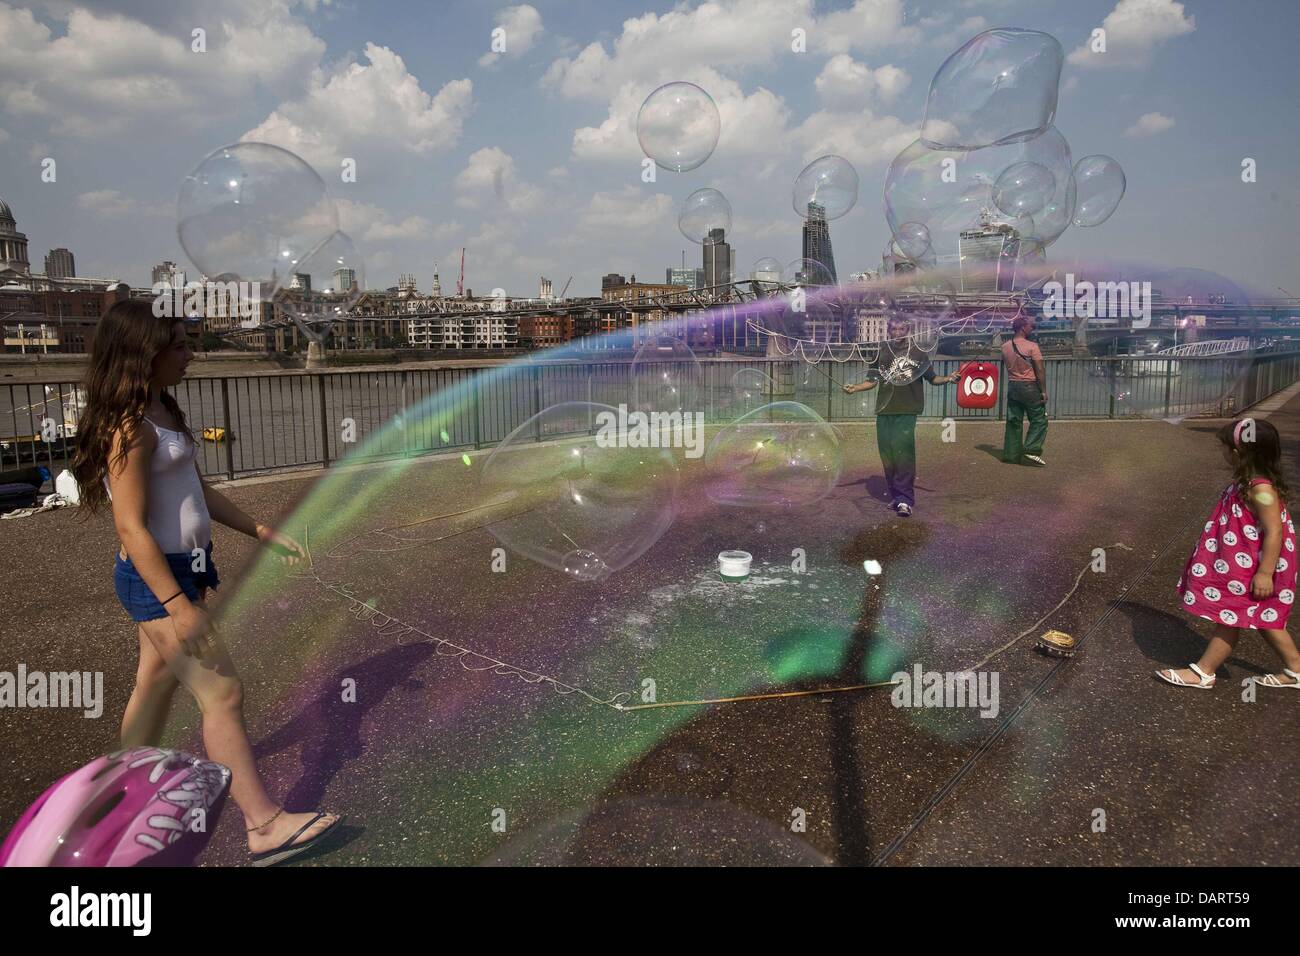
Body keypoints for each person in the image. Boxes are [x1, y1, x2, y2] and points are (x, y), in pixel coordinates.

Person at [71, 300, 344, 865]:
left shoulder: (163, 409)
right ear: (144, 354)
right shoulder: (131, 428)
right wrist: (179, 606)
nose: (190, 354)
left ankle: (123, 789)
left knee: (154, 687)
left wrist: (260, 529)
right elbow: (131, 525)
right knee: (222, 694)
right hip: (160, 581)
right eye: (178, 345)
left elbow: (199, 491)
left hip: (179, 574)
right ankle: (263, 825)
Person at [1157, 418, 1300, 690]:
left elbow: (1274, 531)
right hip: (1243, 563)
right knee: (1264, 618)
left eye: (1225, 447)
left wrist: (1265, 573)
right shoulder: (1249, 483)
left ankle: (1204, 672)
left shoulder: (1261, 489)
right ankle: (1296, 669)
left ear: (1238, 454)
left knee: (1229, 615)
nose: (1223, 452)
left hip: (1254, 566)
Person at [843, 316, 961, 517]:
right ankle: (896, 496)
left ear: (908, 330)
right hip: (884, 409)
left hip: (908, 409)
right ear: (889, 331)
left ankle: (905, 500)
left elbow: (933, 379)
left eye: (901, 329)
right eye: (894, 329)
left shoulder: (918, 352)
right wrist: (854, 388)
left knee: (903, 453)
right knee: (887, 455)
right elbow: (872, 380)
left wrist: (949, 379)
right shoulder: (882, 351)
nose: (897, 333)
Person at [1001, 314, 1048, 467]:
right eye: (1031, 326)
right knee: (1039, 420)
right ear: (1023, 328)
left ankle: (1011, 455)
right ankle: (1031, 450)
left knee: (1014, 421)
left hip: (1013, 386)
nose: (1032, 328)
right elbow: (1039, 370)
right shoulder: (1032, 346)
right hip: (1030, 387)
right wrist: (1043, 391)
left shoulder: (1005, 346)